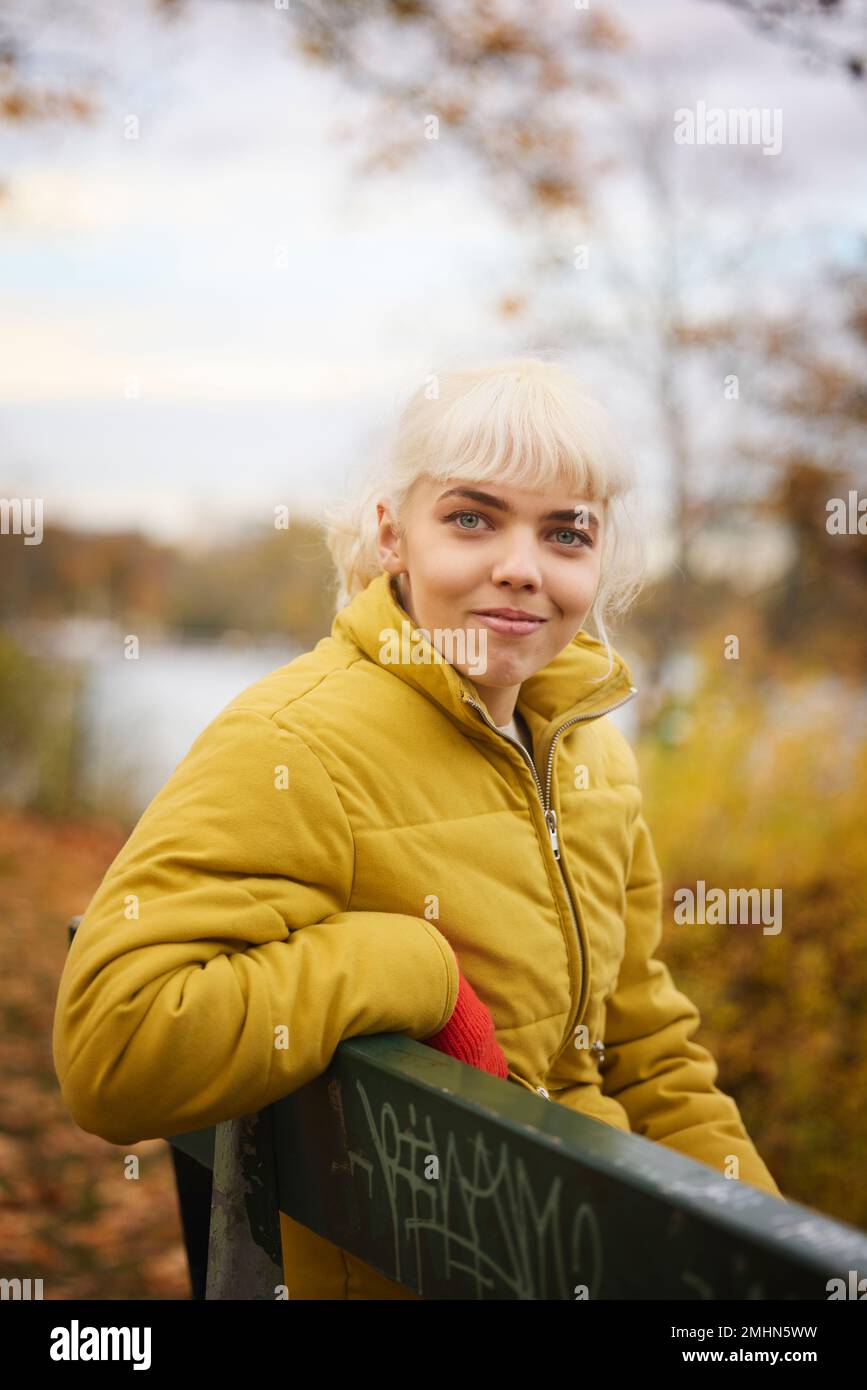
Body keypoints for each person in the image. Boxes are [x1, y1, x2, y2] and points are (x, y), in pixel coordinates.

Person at [52, 353, 783, 1302]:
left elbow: (647, 1056)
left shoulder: (593, 757)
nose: (520, 569)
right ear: (393, 534)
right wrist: (410, 968)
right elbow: (116, 1051)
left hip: (588, 1255)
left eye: (565, 533)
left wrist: (772, 1263)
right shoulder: (294, 742)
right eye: (472, 518)